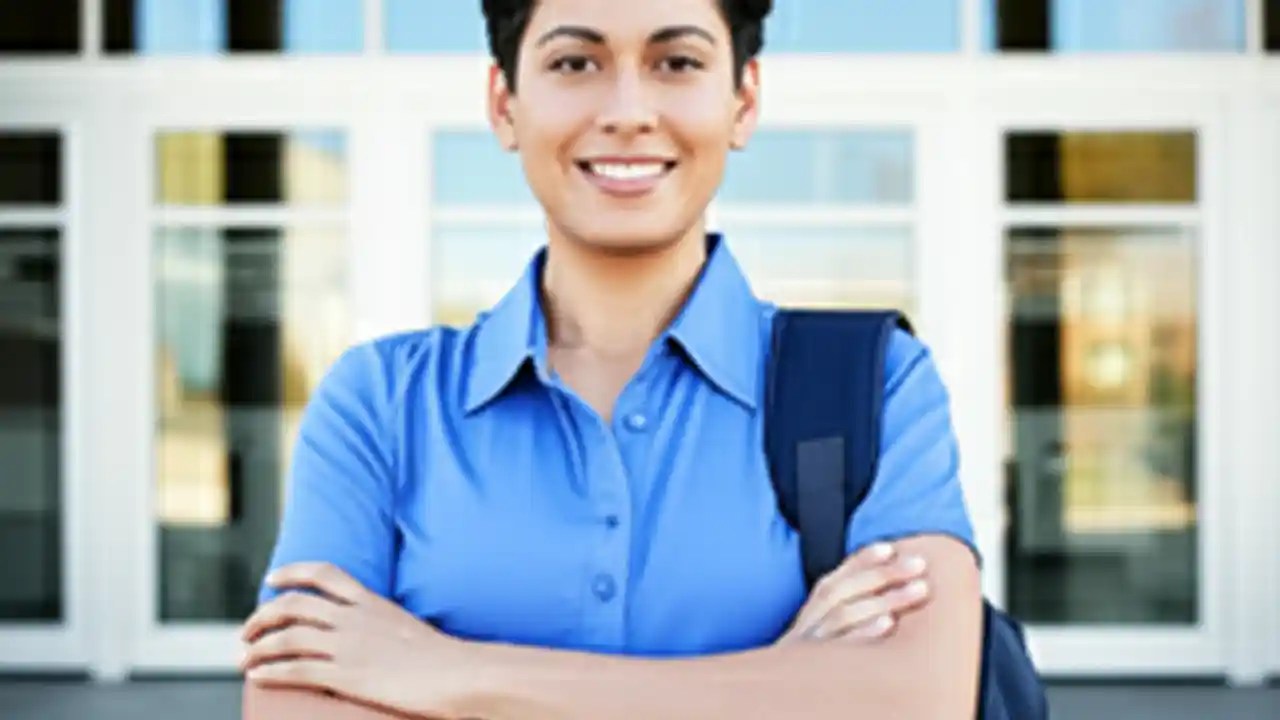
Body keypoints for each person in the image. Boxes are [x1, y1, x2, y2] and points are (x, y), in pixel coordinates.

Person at [239, 0, 983, 717]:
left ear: (743, 100)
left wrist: (446, 671)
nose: (627, 110)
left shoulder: (876, 382)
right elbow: (292, 708)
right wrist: (789, 687)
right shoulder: (381, 403)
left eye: (678, 61)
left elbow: (918, 700)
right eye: (574, 61)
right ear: (504, 104)